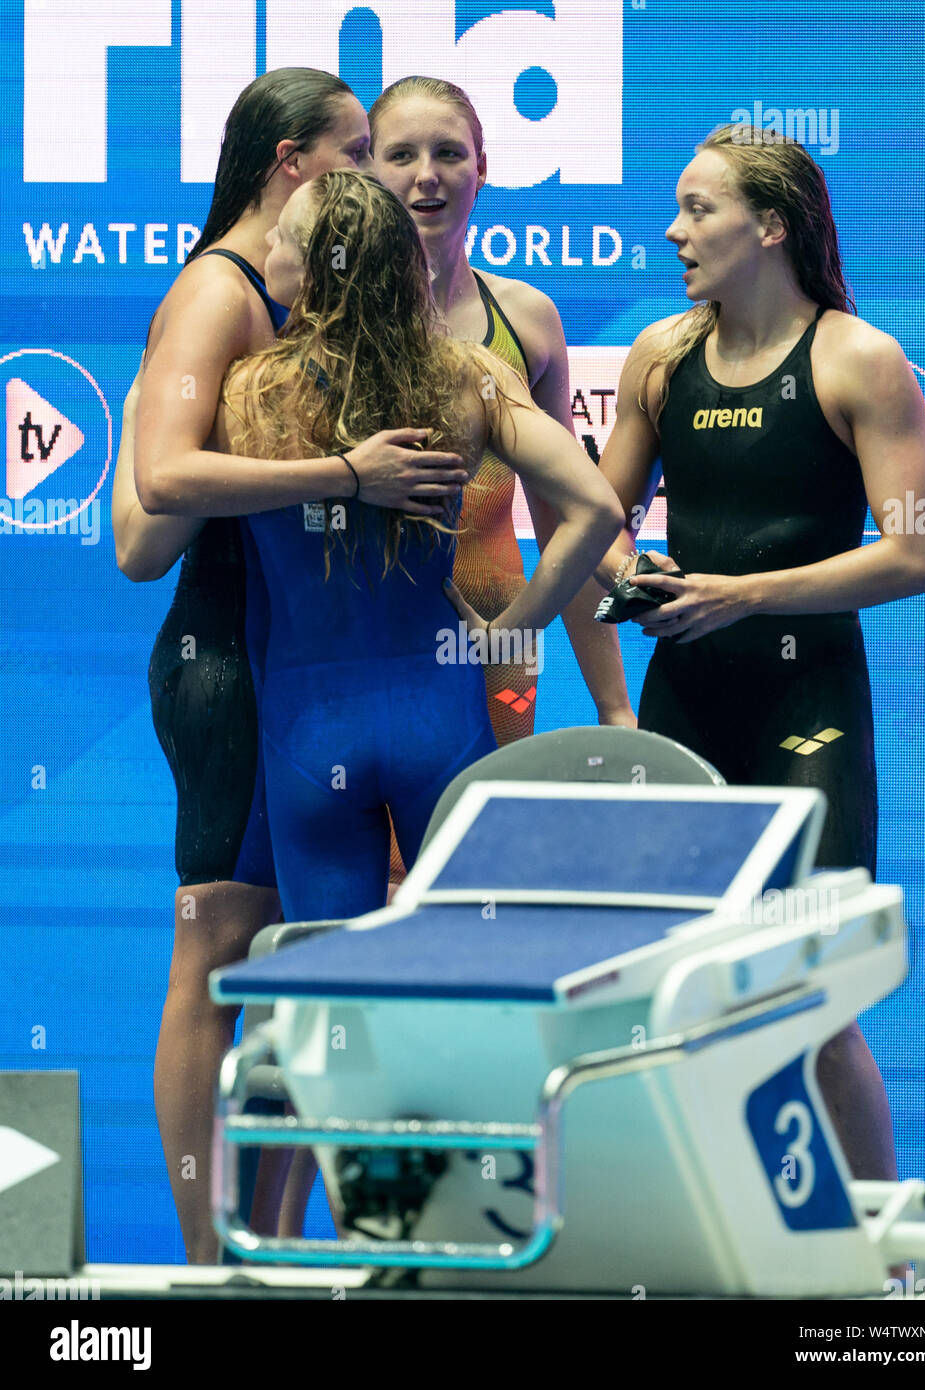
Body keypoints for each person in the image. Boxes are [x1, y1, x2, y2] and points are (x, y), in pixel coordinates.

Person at [111, 67, 471, 1264]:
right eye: (359, 149)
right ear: (289, 162)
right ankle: (209, 1261)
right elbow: (148, 511)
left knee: (285, 967)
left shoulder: (307, 302)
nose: (378, 174)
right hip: (227, 657)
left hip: (300, 666)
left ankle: (273, 1247)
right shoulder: (217, 294)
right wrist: (342, 476)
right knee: (217, 948)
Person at [595, 124, 925, 1182]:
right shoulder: (659, 355)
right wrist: (624, 568)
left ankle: (885, 1266)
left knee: (811, 995)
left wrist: (740, 593)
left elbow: (913, 552)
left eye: (697, 210)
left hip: (808, 710)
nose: (672, 231)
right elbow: (596, 518)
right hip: (684, 701)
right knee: (673, 994)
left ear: (770, 225)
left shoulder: (856, 359)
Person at [207, 167, 623, 926]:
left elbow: (161, 503)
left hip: (310, 723)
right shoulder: (469, 376)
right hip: (442, 710)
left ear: (315, 269)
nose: (267, 240)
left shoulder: (245, 392)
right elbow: (595, 507)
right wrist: (516, 629)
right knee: (461, 970)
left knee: (328, 986)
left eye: (284, 234)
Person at [369, 76, 635, 750]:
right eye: (401, 156)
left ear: (482, 169)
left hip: (496, 629)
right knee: (388, 857)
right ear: (366, 170)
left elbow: (564, 523)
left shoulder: (526, 319)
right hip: (359, 636)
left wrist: (615, 710)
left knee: (483, 838)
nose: (427, 176)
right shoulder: (324, 323)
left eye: (449, 154)